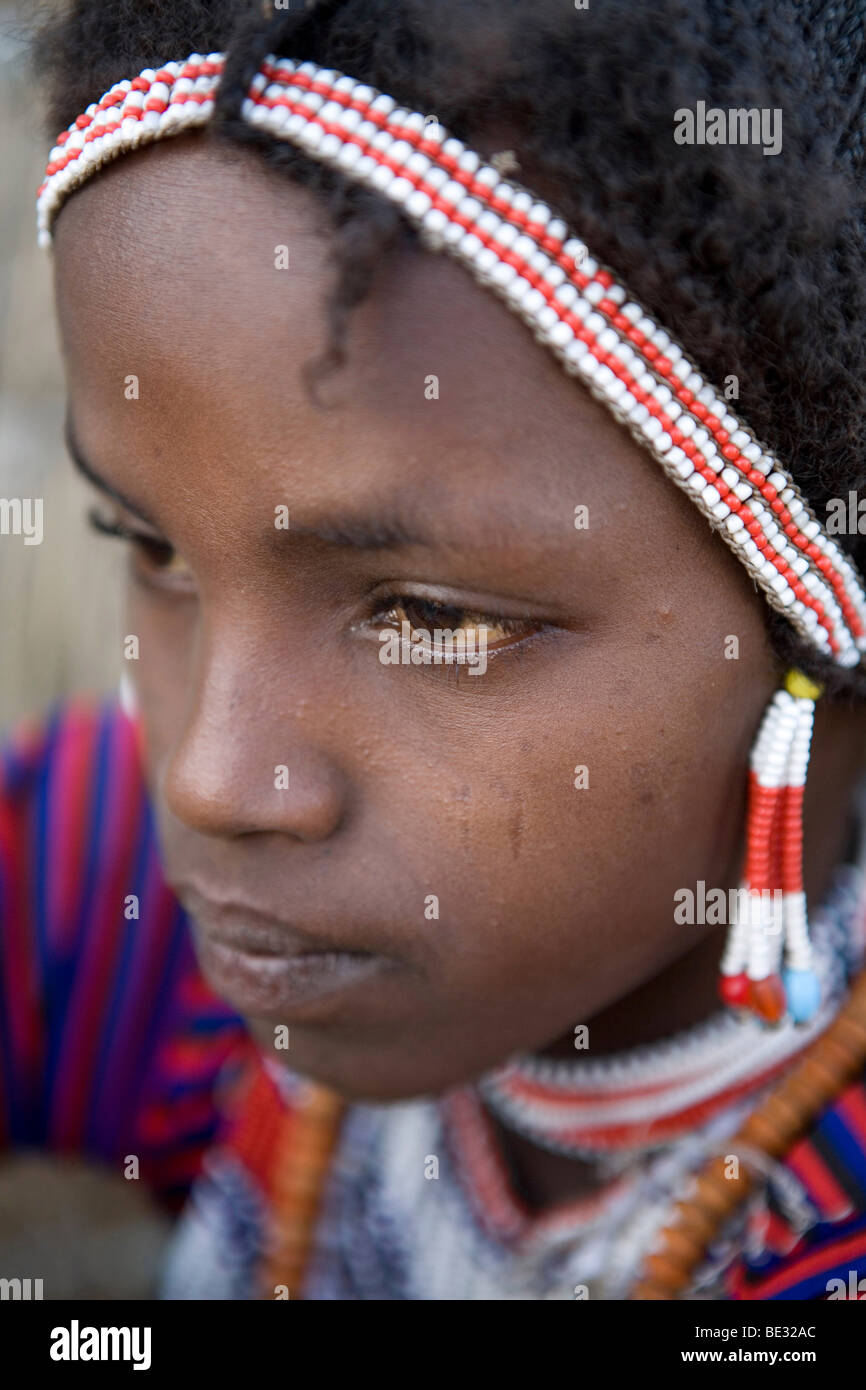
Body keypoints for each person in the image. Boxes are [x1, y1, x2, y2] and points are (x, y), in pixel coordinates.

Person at [2, 0, 866, 1299]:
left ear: (822, 625)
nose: (211, 778)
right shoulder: (126, 900)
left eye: (429, 615)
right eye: (158, 550)